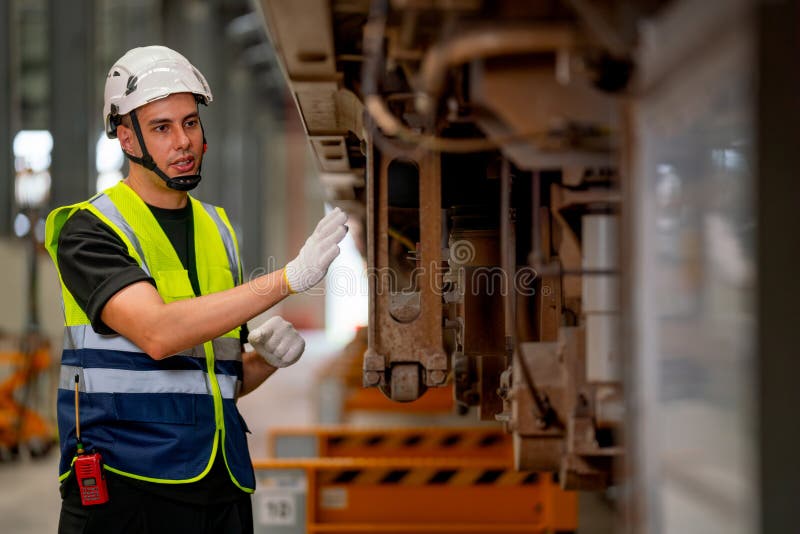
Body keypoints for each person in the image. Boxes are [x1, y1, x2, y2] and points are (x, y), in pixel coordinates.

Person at [43, 45, 348, 534]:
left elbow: (211, 381)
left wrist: (262, 363)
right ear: (126, 138)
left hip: (221, 483)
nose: (182, 141)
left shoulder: (218, 229)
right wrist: (288, 279)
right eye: (161, 128)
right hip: (127, 484)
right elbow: (159, 334)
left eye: (189, 123)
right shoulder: (90, 229)